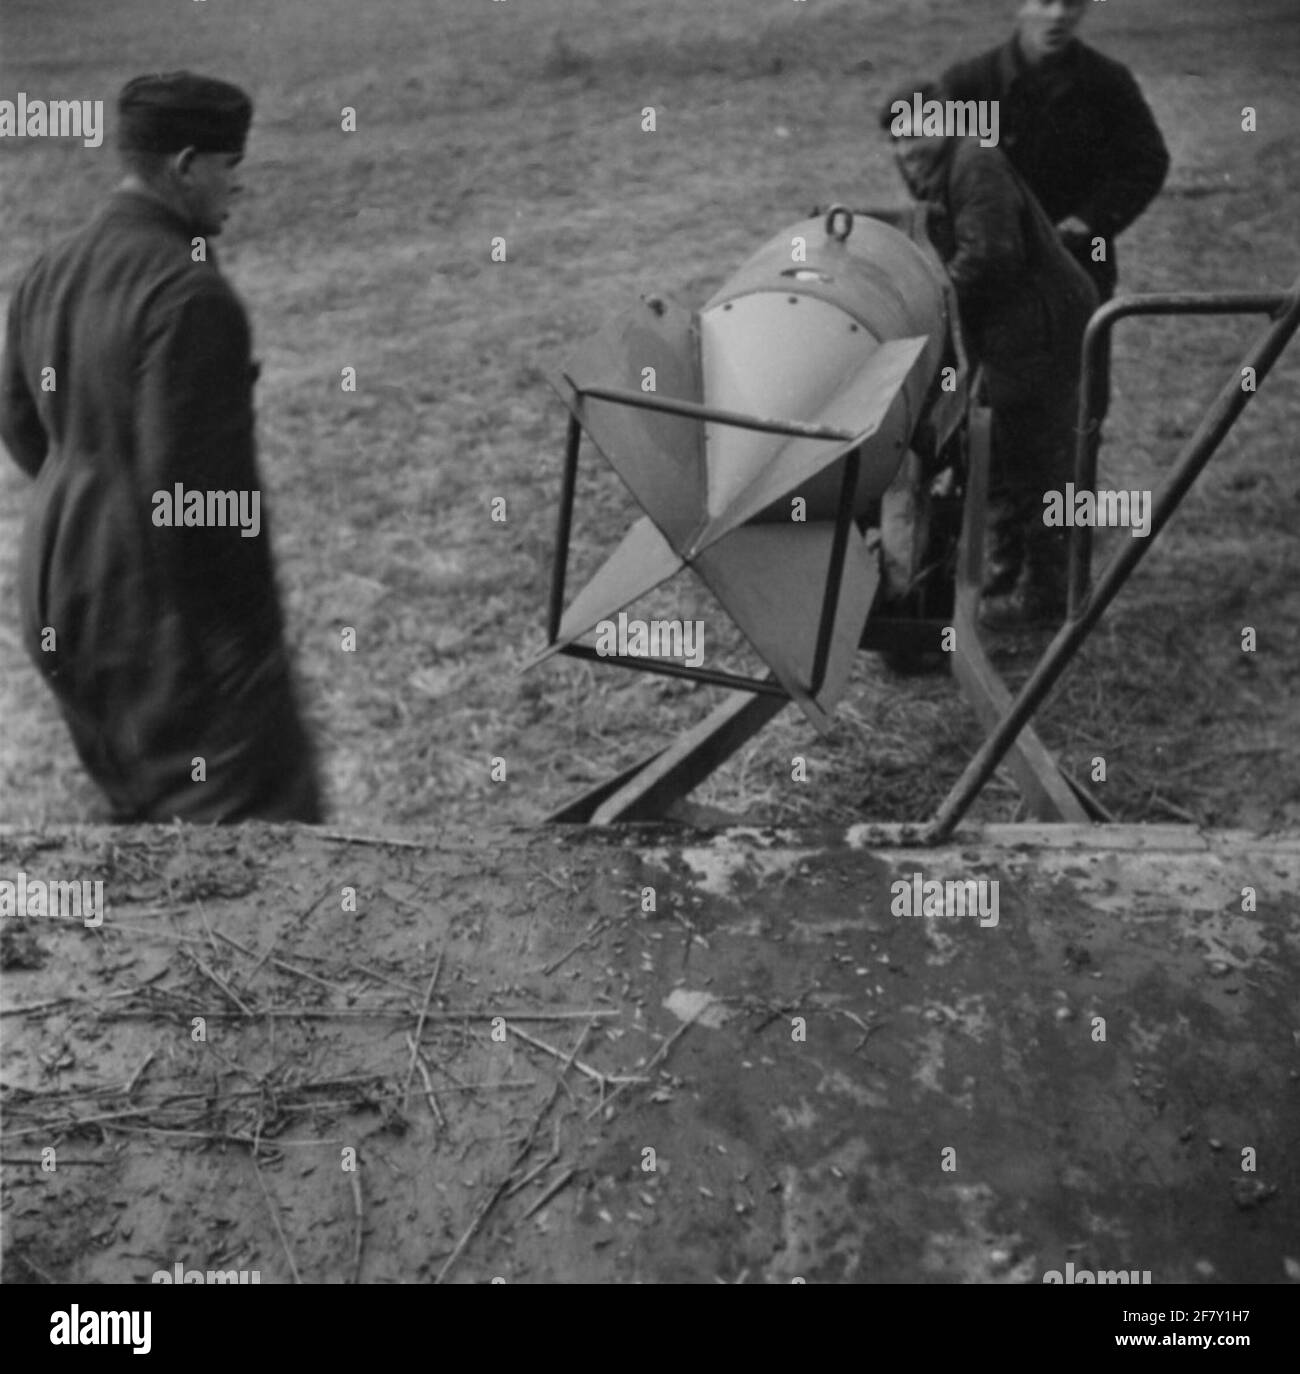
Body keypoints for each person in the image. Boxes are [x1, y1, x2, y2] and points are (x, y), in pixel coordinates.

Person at [0, 71, 323, 822]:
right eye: (229, 166)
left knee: (144, 823)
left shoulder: (52, 268)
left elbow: (18, 420)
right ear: (184, 167)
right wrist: (247, 661)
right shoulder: (189, 293)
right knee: (252, 833)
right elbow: (199, 505)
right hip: (159, 621)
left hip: (62, 596)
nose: (237, 187)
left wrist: (88, 499)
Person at [941, 0, 1169, 621]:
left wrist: (1090, 221)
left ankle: (1059, 583)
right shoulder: (970, 86)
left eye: (1073, 1)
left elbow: (1147, 161)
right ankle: (997, 561)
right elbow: (935, 172)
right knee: (985, 428)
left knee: (1068, 431)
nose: (1059, 14)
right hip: (991, 296)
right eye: (1044, 0)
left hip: (1074, 291)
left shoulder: (1106, 84)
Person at [879, 81, 1098, 628]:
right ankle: (1007, 569)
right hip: (1011, 332)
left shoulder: (975, 163)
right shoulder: (948, 170)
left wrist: (930, 302)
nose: (905, 150)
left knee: (1036, 461)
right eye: (897, 139)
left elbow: (992, 255)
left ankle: (1052, 596)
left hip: (1040, 330)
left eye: (915, 133)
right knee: (998, 452)